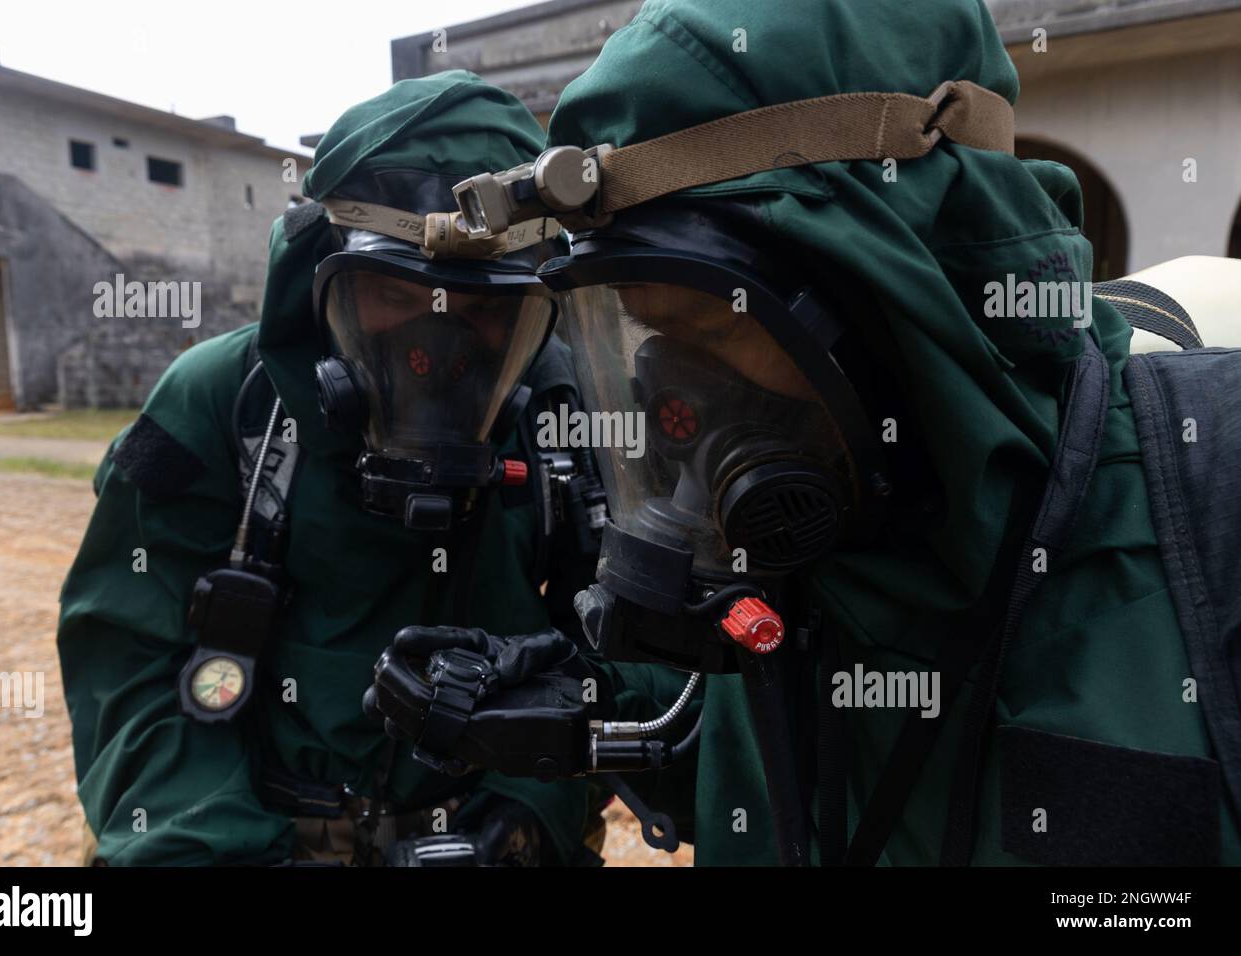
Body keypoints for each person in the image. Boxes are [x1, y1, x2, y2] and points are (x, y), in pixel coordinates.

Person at [373, 0, 1241, 866]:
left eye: (710, 328)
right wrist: (582, 706)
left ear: (893, 288)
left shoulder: (1208, 513)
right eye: (646, 336)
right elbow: (764, 780)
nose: (673, 397)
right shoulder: (810, 548)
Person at [57, 72, 626, 866]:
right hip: (262, 835)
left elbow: (620, 650)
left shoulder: (563, 413)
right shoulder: (222, 402)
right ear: (322, 283)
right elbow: (127, 658)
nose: (439, 349)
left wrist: (535, 810)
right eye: (397, 294)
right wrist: (214, 849)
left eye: (484, 310)